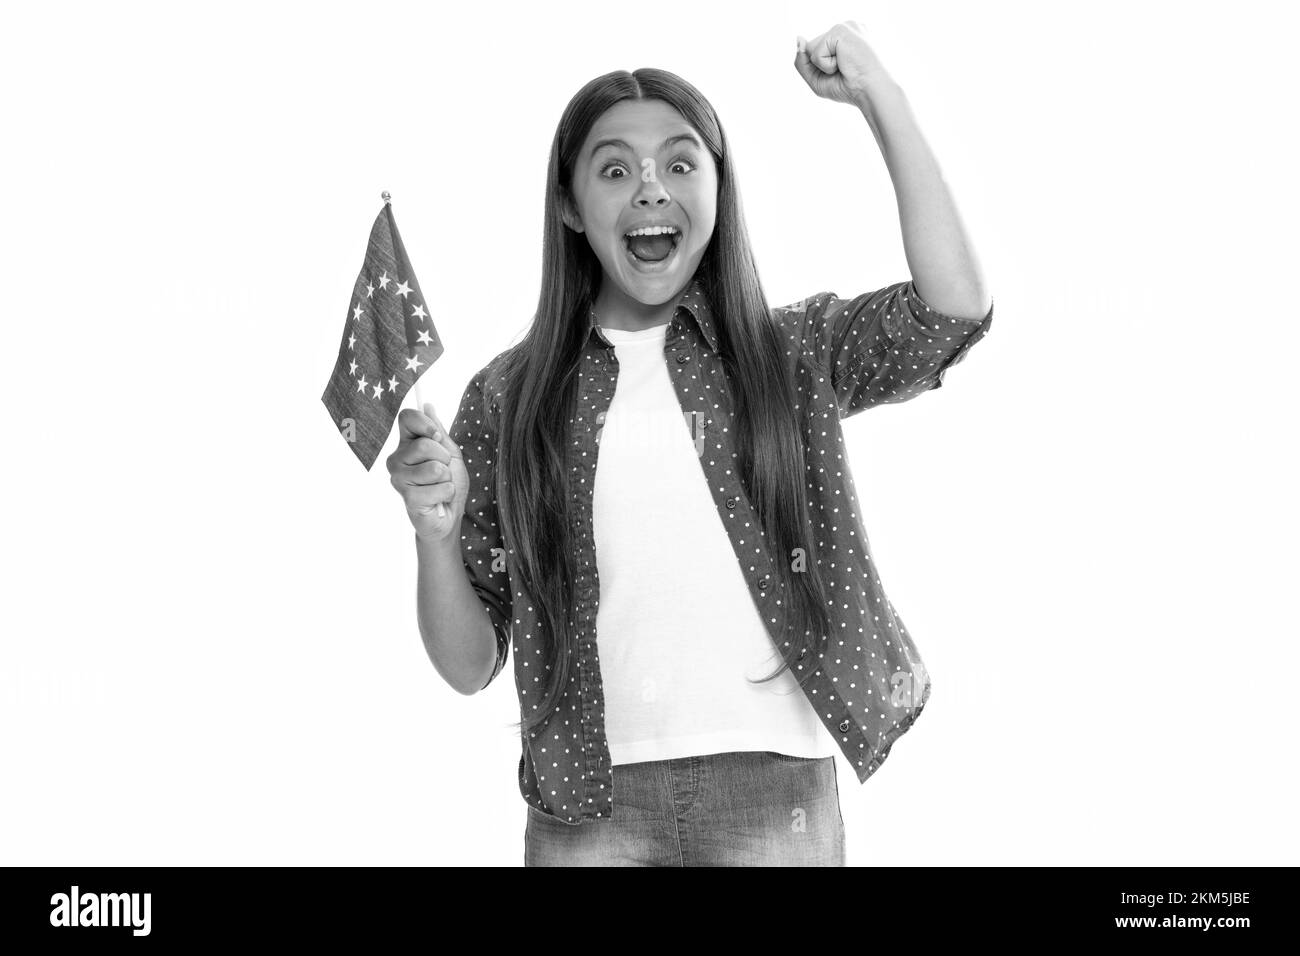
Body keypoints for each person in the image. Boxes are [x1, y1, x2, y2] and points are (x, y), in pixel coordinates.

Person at [385, 21, 993, 866]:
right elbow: (468, 662)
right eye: (614, 169)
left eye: (679, 164)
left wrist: (880, 99)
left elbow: (953, 310)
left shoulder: (790, 355)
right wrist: (436, 535)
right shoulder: (509, 396)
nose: (649, 189)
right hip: (586, 804)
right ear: (569, 204)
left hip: (774, 788)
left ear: (717, 187)